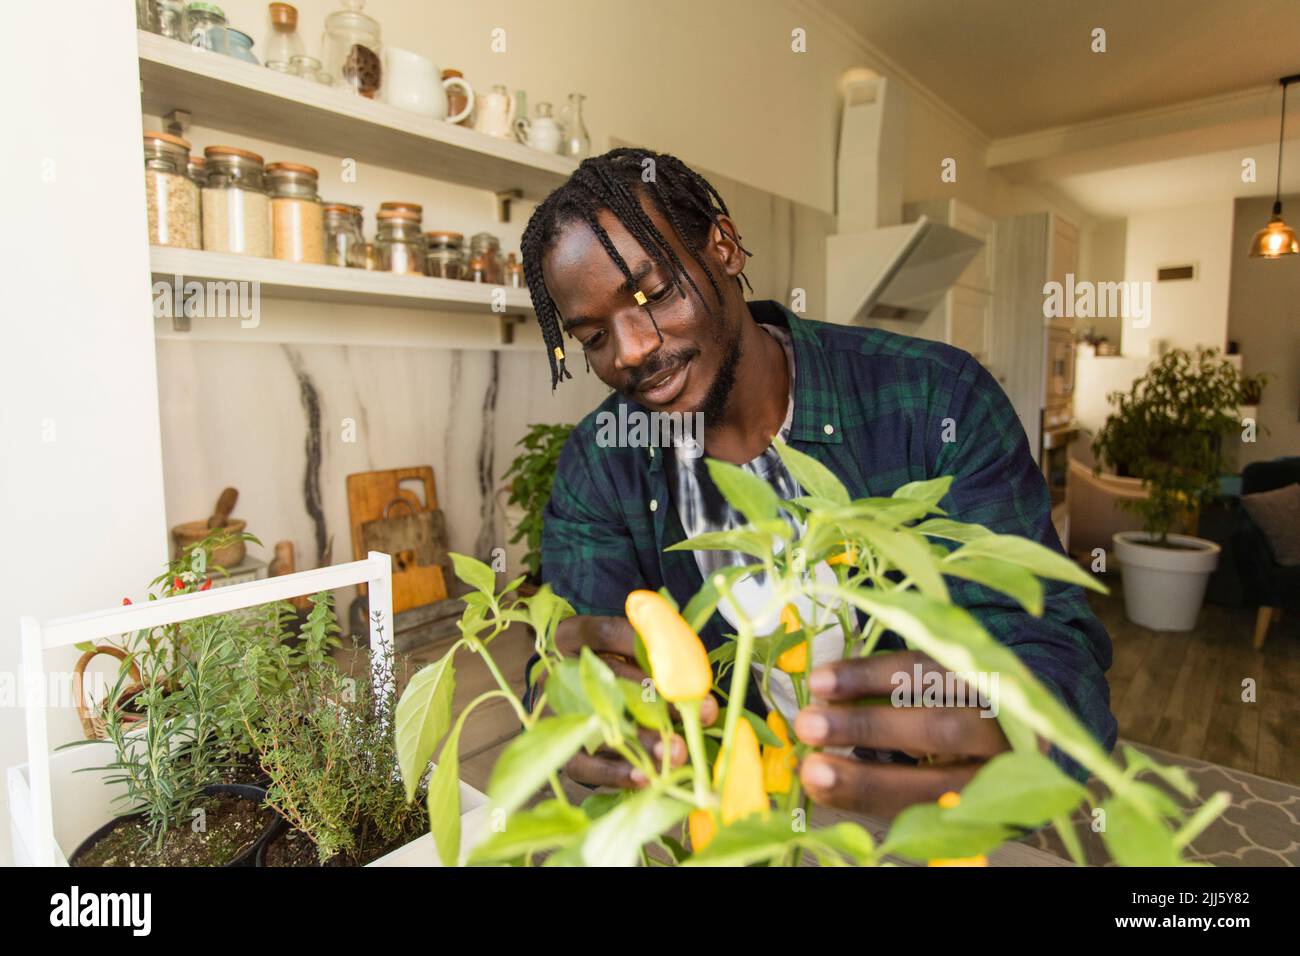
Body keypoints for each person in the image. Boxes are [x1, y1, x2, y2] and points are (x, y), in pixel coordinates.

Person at [517, 148, 1115, 819]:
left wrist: (1017, 720)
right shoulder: (602, 462)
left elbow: (1053, 647)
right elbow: (572, 652)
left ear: (724, 246)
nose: (628, 350)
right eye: (594, 336)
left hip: (928, 822)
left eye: (652, 294)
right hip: (732, 822)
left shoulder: (935, 399)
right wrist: (568, 696)